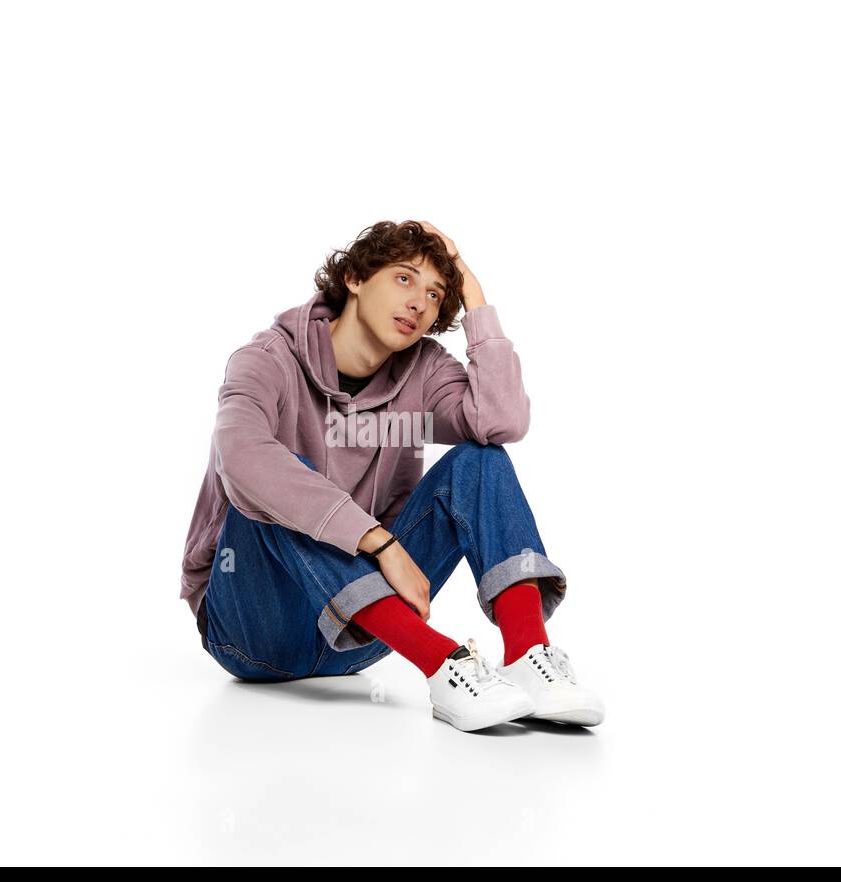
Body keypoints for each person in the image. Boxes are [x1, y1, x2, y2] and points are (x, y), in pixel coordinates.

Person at [179, 220, 604, 732]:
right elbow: (241, 457)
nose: (419, 303)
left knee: (481, 460)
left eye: (435, 293)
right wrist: (380, 543)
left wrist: (472, 291)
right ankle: (445, 663)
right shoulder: (267, 360)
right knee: (276, 482)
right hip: (254, 631)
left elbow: (502, 421)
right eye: (404, 279)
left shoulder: (422, 369)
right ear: (355, 278)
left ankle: (529, 655)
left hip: (362, 633)